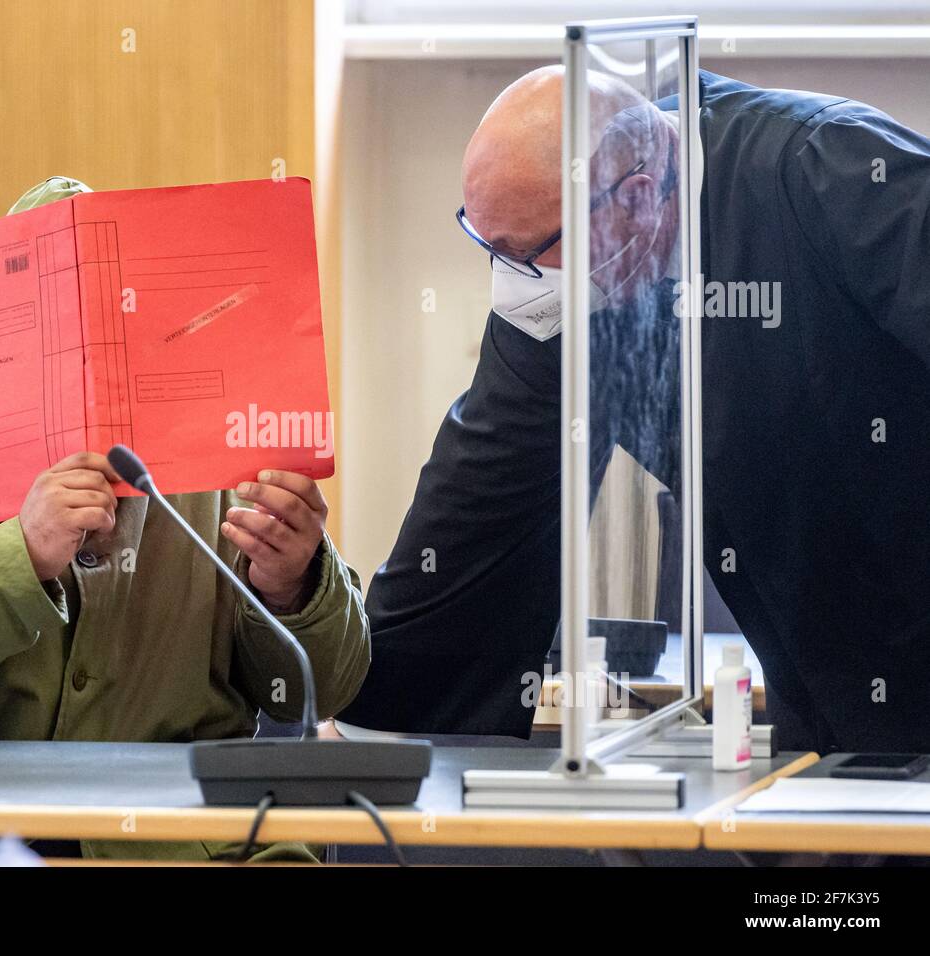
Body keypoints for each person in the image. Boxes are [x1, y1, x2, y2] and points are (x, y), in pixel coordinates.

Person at [338, 66, 930, 754]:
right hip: (821, 678)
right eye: (485, 245)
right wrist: (370, 725)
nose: (510, 281)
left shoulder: (834, 171)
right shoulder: (559, 288)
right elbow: (478, 504)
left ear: (640, 198)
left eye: (523, 253)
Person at [0, 178, 369, 862]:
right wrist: (17, 557)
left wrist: (296, 587)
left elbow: (325, 691)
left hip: (171, 848)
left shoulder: (216, 454)